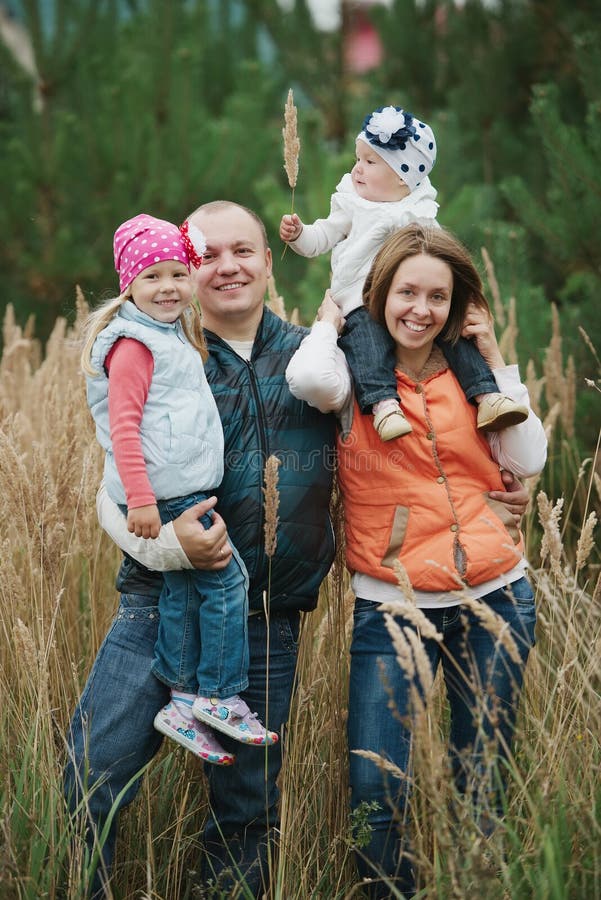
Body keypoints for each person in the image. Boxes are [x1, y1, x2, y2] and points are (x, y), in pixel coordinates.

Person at [65, 204, 530, 900]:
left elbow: (420, 427)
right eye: (209, 254)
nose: (229, 266)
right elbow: (112, 491)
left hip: (266, 620)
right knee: (91, 779)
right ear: (186, 271)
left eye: (244, 250)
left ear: (268, 260)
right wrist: (168, 546)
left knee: (245, 816)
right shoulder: (164, 354)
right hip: (156, 604)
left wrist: (495, 487)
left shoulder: (324, 356)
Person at [285, 223, 547, 897]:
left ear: (456, 304)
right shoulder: (350, 369)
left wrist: (492, 351)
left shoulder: (469, 371)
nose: (420, 310)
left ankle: (475, 886)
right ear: (381, 293)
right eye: (406, 292)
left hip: (495, 595)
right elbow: (307, 378)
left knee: (481, 773)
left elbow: (525, 460)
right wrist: (325, 320)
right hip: (392, 599)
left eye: (437, 296)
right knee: (376, 784)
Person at [81, 212, 276, 766]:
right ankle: (217, 695)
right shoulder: (136, 344)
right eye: (152, 277)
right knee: (226, 579)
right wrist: (145, 506)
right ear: (129, 286)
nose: (167, 286)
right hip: (170, 500)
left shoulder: (171, 337)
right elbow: (122, 429)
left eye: (175, 273)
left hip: (179, 491)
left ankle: (185, 701)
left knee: (191, 593)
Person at [280, 105, 528, 441]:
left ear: (401, 176)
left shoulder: (420, 211)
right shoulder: (352, 203)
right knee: (367, 344)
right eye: (357, 159)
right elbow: (322, 236)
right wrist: (300, 235)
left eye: (369, 162)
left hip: (414, 299)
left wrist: (453, 298)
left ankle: (487, 396)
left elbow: (441, 258)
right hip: (360, 298)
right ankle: (384, 406)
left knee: (455, 337)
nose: (357, 170)